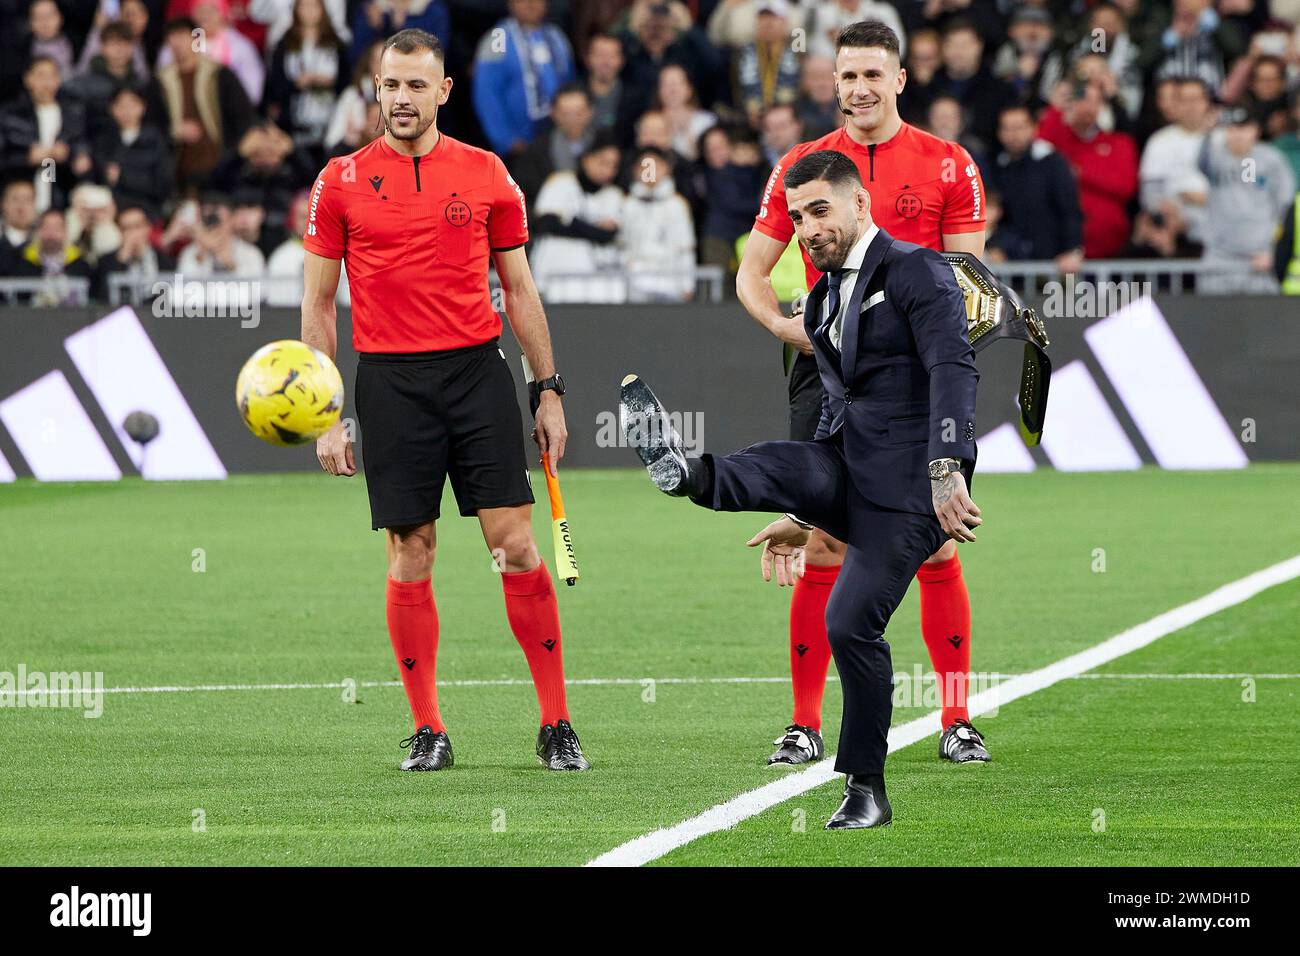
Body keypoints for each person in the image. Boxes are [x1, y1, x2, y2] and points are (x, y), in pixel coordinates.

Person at [623, 149, 981, 828]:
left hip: (912, 485)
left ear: (858, 205)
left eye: (820, 210)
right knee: (782, 465)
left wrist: (948, 466)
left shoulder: (918, 270)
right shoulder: (821, 298)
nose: (808, 227)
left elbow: (953, 369)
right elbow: (837, 405)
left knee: (849, 622)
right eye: (796, 217)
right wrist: (807, 509)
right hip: (849, 461)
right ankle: (687, 474)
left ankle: (866, 789)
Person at [301, 28, 590, 773]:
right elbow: (318, 304)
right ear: (375, 88)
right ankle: (429, 728)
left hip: (476, 374)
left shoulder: (488, 172)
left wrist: (548, 390)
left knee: (514, 544)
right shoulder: (338, 180)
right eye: (390, 85)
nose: (402, 99)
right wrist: (326, 410)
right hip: (389, 382)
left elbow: (520, 289)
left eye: (416, 86)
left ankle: (556, 722)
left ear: (443, 92)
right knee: (411, 550)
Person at [736, 20, 989, 768]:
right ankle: (805, 722)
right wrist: (789, 330)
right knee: (823, 531)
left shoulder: (948, 164)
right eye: (847, 75)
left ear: (901, 79)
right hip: (828, 369)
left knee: (933, 533)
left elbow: (966, 283)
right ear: (834, 81)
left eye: (874, 74)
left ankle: (956, 717)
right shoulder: (803, 166)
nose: (859, 89)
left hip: (908, 375)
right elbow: (751, 272)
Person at [1037, 78, 1138, 259]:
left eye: (1094, 101)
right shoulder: (1059, 139)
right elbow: (1038, 148)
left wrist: (1080, 172)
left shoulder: (1119, 143)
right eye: (1081, 99)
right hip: (1061, 251)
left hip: (1110, 248)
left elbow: (1126, 187)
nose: (1087, 107)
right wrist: (1056, 108)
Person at [154, 17, 253, 190]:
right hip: (177, 169)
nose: (177, 43)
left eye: (183, 36)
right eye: (172, 37)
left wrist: (234, 153)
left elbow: (242, 116)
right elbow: (151, 122)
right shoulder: (159, 82)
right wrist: (173, 129)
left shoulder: (220, 75)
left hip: (221, 167)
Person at [472, 0, 576, 157]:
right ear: (511, 4)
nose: (531, 4)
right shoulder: (498, 38)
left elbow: (570, 85)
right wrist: (505, 139)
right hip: (520, 140)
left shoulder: (556, 36)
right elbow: (487, 94)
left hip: (559, 135)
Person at [530, 134, 624, 302]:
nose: (607, 170)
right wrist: (593, 227)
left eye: (613, 166)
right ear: (587, 159)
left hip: (593, 278)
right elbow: (546, 223)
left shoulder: (613, 194)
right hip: (553, 271)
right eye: (602, 162)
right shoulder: (561, 181)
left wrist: (571, 222)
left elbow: (607, 235)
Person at [990, 104, 1083, 269]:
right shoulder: (998, 166)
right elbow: (998, 217)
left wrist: (1072, 249)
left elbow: (1069, 208)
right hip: (1013, 263)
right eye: (1008, 128)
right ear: (999, 133)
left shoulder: (1052, 162)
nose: (1014, 135)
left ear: (1033, 128)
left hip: (1055, 262)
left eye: (1019, 127)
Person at [0, 57, 91, 213]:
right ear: (28, 79)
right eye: (41, 76)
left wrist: (71, 158)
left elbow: (82, 154)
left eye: (52, 76)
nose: (46, 83)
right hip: (18, 194)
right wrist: (27, 158)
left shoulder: (73, 115)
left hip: (59, 194)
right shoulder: (10, 115)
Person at [621, 144, 696, 302]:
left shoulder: (677, 204)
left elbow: (685, 248)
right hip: (635, 281)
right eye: (644, 166)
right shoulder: (627, 204)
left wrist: (688, 285)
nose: (650, 171)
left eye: (656, 165)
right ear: (635, 171)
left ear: (667, 169)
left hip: (669, 280)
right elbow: (622, 245)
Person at [94, 86, 174, 221]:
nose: (126, 111)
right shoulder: (104, 141)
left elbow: (162, 185)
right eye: (120, 105)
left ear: (142, 107)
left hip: (147, 211)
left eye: (131, 105)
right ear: (112, 109)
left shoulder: (155, 141)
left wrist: (123, 176)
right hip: (111, 211)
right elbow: (97, 177)